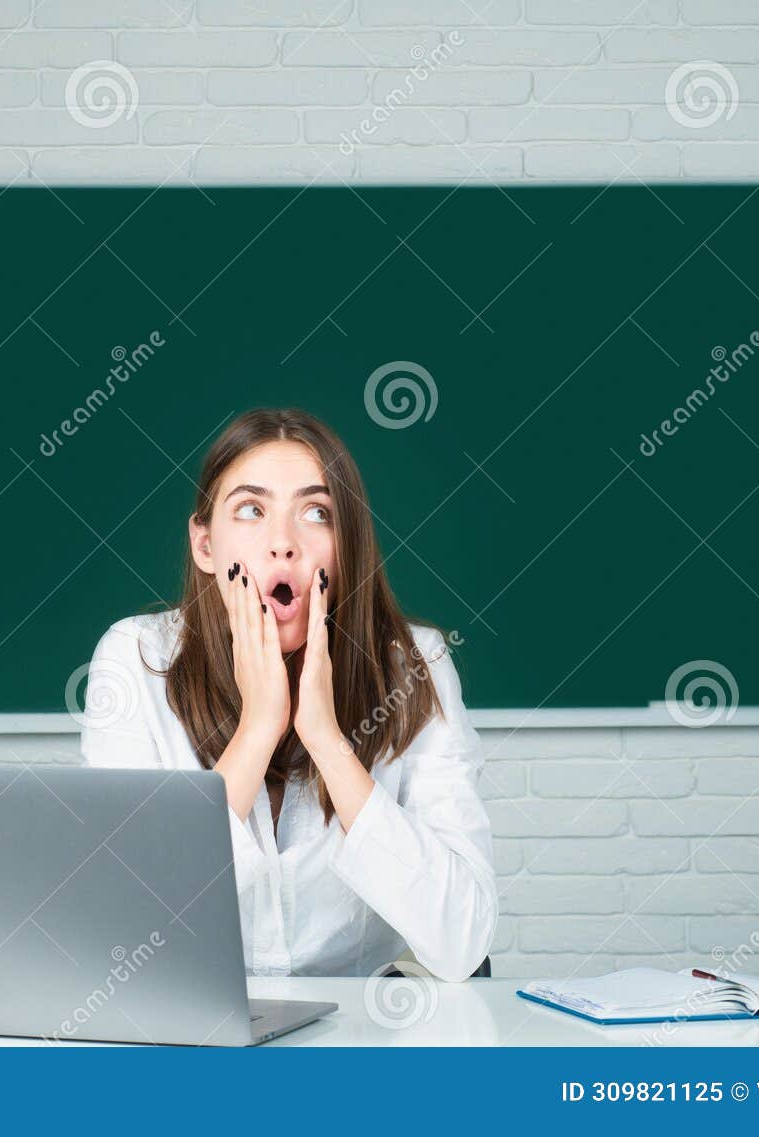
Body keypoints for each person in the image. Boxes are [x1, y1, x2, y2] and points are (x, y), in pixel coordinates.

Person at [79, 407, 495, 980]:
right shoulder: (136, 660)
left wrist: (326, 740)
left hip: (359, 1034)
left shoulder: (415, 666)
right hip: (194, 1032)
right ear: (205, 546)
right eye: (251, 510)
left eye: (317, 513)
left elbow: (463, 943)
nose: (283, 544)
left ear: (345, 546)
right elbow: (129, 921)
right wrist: (259, 726)